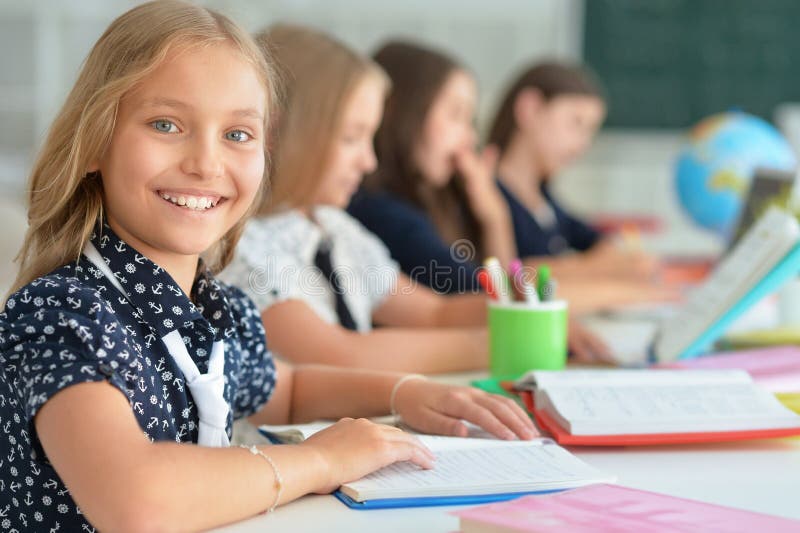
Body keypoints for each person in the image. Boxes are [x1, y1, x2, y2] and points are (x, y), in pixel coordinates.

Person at [0, 3, 535, 530]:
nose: (206, 164)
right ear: (95, 137)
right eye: (166, 124)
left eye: (237, 134)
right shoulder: (62, 314)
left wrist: (405, 391)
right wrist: (322, 460)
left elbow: (291, 388)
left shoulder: (216, 307)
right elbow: (138, 501)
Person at [221, 25, 500, 373]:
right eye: (352, 137)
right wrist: (505, 343)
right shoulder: (241, 250)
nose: (369, 162)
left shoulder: (335, 228)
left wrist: (529, 315)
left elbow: (433, 312)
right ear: (278, 132)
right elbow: (343, 358)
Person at [348, 42, 677, 316]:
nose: (469, 139)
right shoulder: (382, 212)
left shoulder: (432, 201)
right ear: (405, 112)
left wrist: (493, 218)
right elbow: (493, 293)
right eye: (456, 115)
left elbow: (496, 287)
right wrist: (620, 289)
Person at [488, 61, 660, 282]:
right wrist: (596, 267)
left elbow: (593, 239)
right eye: (576, 123)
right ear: (530, 109)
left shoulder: (544, 200)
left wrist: (613, 260)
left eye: (590, 131)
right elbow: (514, 275)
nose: (583, 144)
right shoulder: (488, 196)